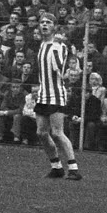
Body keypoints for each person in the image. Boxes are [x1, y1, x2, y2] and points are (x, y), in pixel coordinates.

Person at [33, 16, 81, 179]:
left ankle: (73, 168)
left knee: (57, 133)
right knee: (41, 133)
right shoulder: (42, 45)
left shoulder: (58, 46)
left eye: (48, 22)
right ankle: (56, 167)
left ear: (55, 27)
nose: (44, 25)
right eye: (42, 22)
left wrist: (64, 71)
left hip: (56, 95)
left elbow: (61, 68)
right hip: (43, 95)